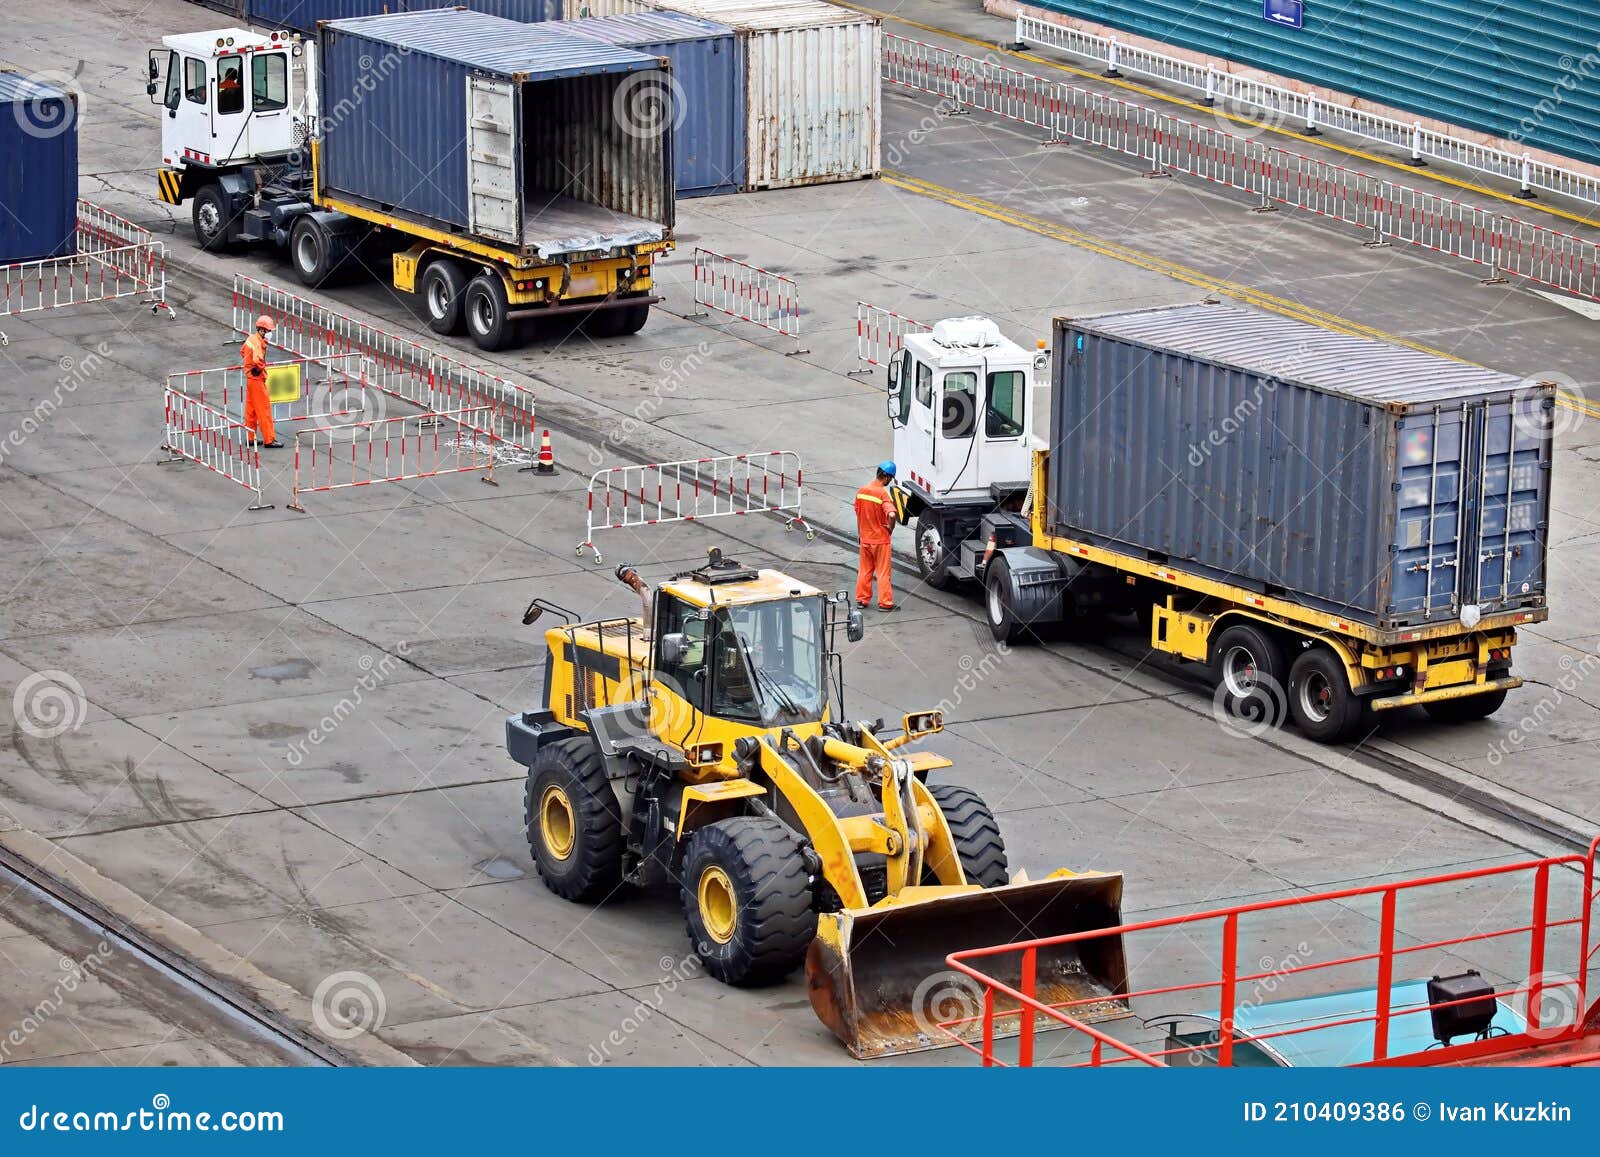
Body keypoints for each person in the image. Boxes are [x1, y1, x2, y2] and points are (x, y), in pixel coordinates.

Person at [854, 461, 898, 611]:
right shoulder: (882, 493)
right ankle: (885, 603)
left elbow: (858, 514)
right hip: (880, 540)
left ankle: (862, 600)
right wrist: (890, 528)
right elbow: (891, 514)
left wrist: (860, 533)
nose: (889, 481)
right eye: (890, 479)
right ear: (886, 477)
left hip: (865, 539)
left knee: (865, 570)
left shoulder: (861, 491)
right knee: (883, 572)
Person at [241, 315, 282, 449]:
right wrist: (260, 368)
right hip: (256, 379)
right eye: (269, 331)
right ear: (262, 331)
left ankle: (250, 438)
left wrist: (249, 367)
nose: (270, 334)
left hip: (250, 379)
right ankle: (269, 440)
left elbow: (242, 351)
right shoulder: (257, 343)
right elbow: (258, 360)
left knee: (251, 410)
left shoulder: (252, 339)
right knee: (264, 409)